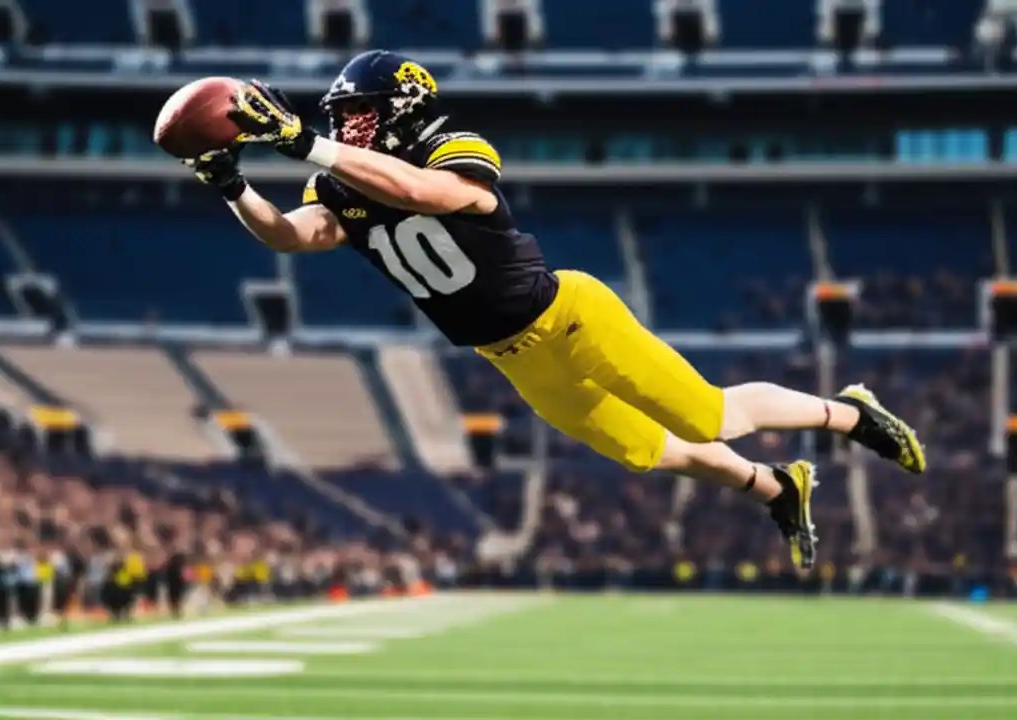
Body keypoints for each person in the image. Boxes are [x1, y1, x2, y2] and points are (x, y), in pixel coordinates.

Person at [182, 50, 927, 570]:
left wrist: (302, 141)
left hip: (569, 315)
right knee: (646, 450)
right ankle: (777, 486)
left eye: (360, 115)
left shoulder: (455, 147)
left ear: (403, 109)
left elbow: (421, 195)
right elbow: (289, 237)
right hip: (510, 355)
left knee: (707, 417)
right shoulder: (339, 182)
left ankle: (849, 413)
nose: (347, 127)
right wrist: (230, 184)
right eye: (339, 119)